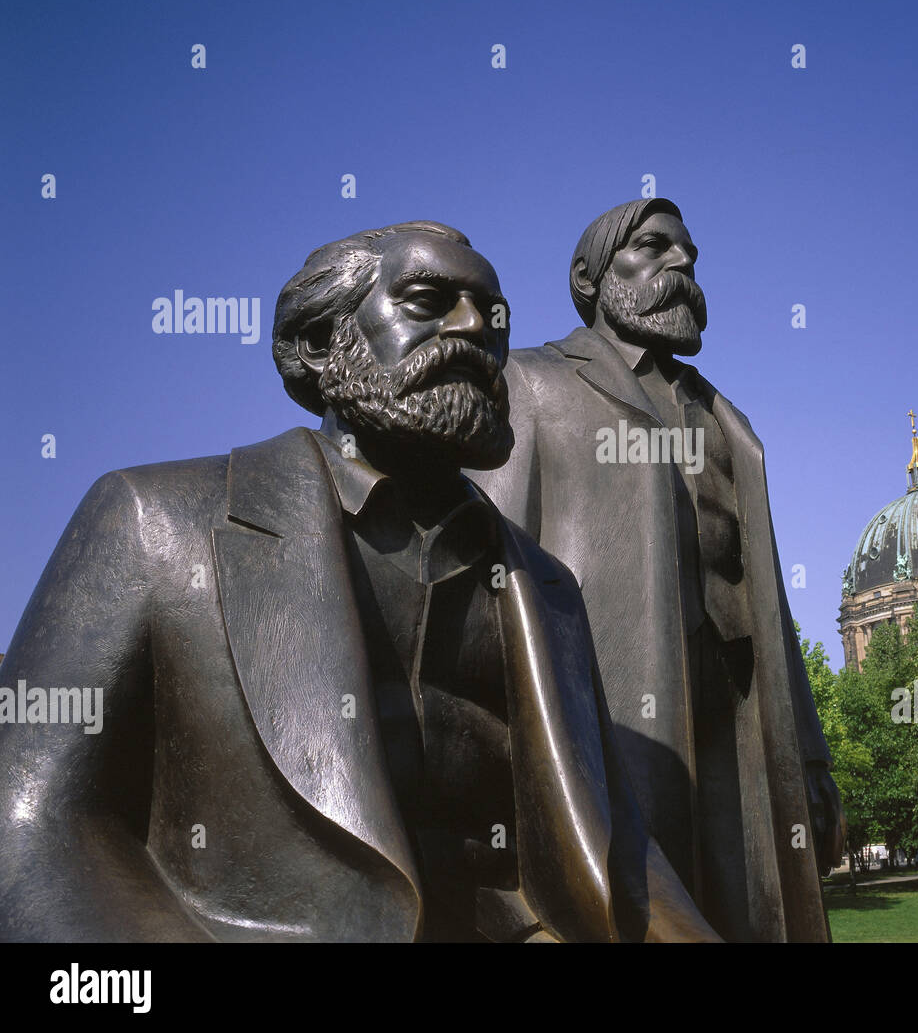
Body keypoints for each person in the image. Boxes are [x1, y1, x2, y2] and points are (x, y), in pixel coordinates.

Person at [0, 221, 718, 943]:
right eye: (429, 301)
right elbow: (34, 823)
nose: (473, 327)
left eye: (490, 313)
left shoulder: (549, 589)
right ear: (318, 346)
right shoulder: (153, 520)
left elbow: (620, 842)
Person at [468, 198, 843, 941]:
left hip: (736, 715)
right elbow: (489, 561)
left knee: (746, 910)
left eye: (689, 254)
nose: (680, 265)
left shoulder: (723, 419)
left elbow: (770, 608)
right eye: (653, 247)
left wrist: (807, 751)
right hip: (607, 706)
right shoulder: (532, 383)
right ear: (590, 276)